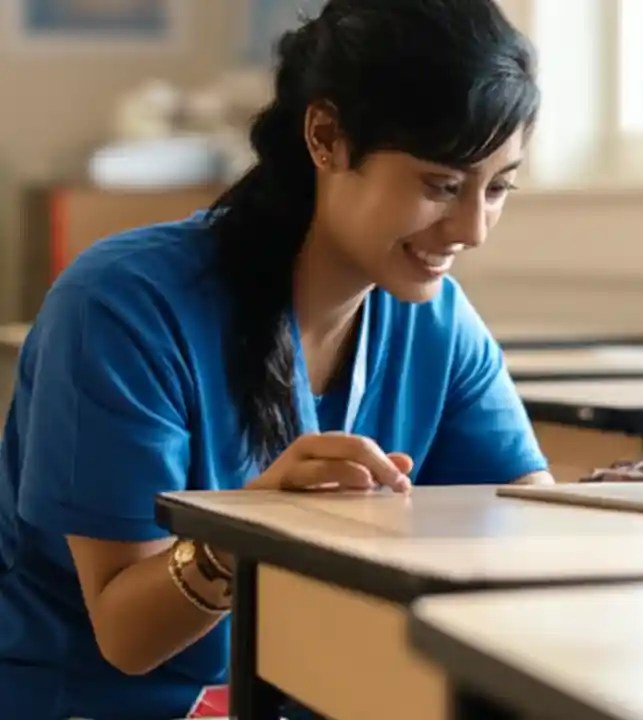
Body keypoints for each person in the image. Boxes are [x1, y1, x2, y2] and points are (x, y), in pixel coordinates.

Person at [0, 1, 548, 717]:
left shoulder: (437, 323)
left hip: (300, 689)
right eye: (440, 185)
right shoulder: (122, 304)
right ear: (326, 137)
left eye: (499, 187)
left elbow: (532, 533)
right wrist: (244, 533)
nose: (473, 228)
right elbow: (127, 638)